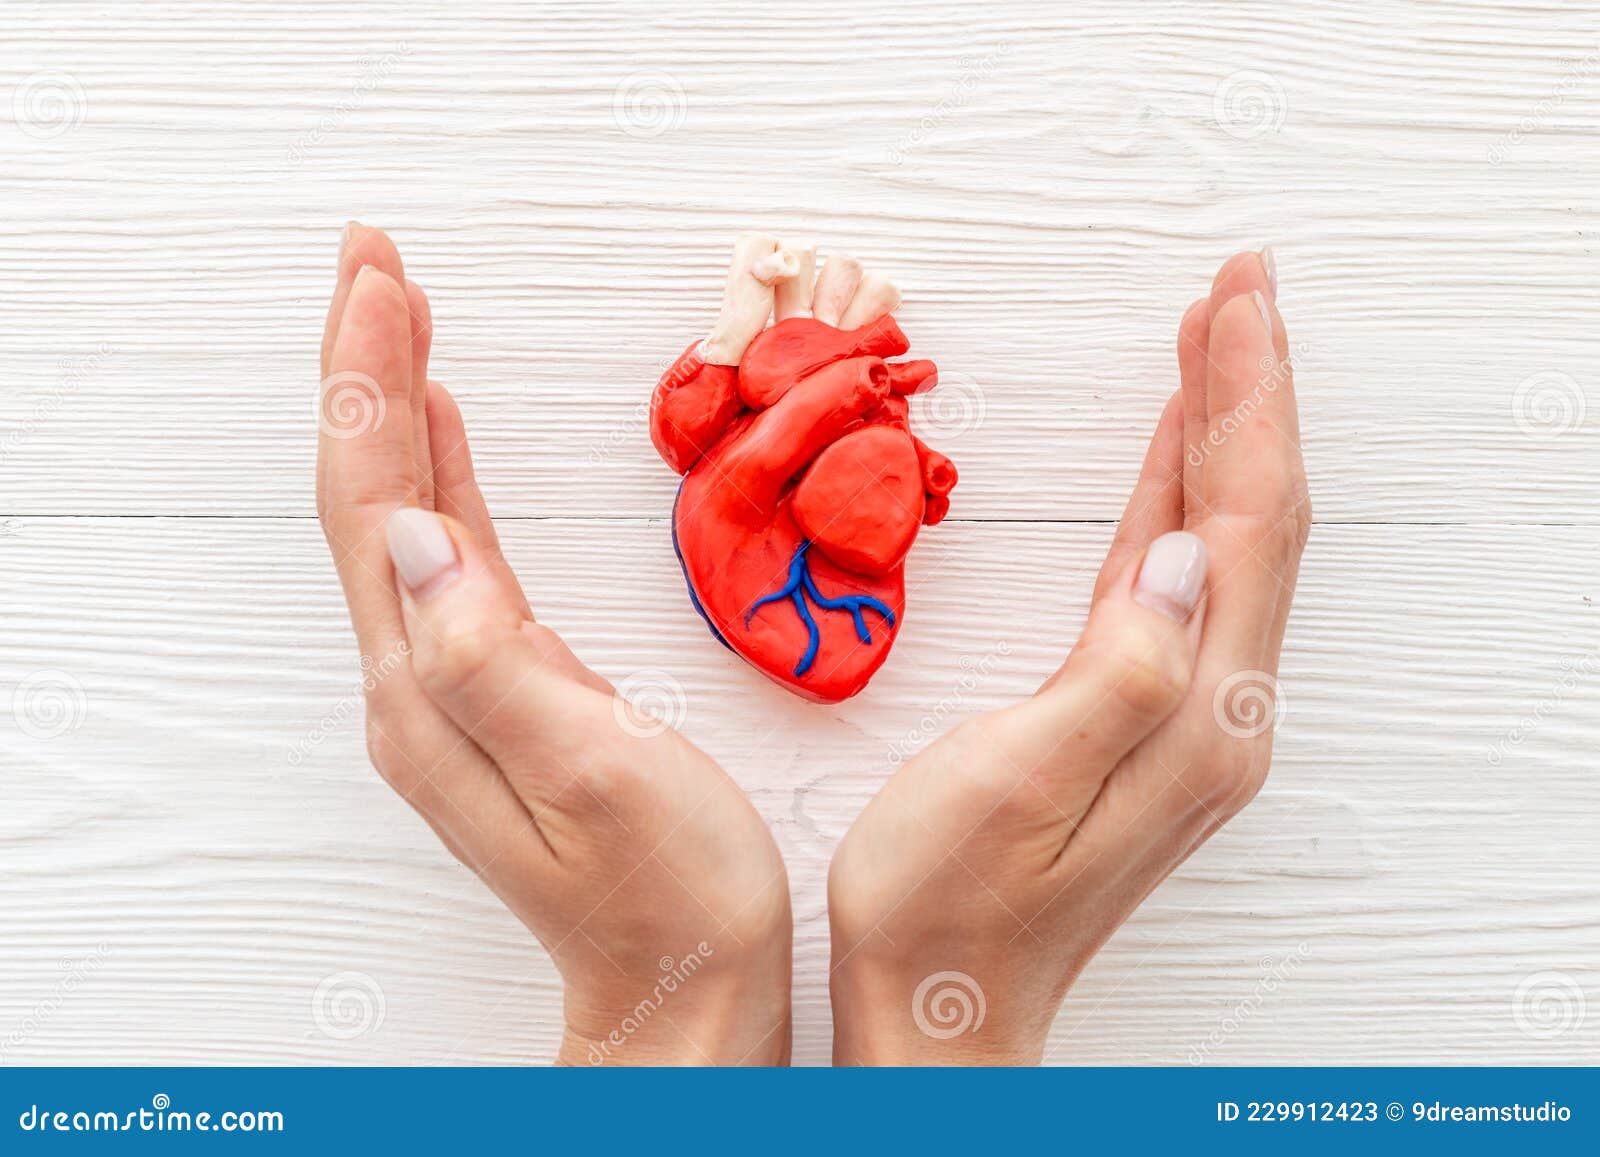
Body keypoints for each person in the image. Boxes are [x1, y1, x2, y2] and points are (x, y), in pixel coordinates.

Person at [316, 225, 1308, 1065]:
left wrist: (674, 994)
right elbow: (743, 441)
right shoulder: (757, 469)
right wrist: (948, 1001)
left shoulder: (794, 477)